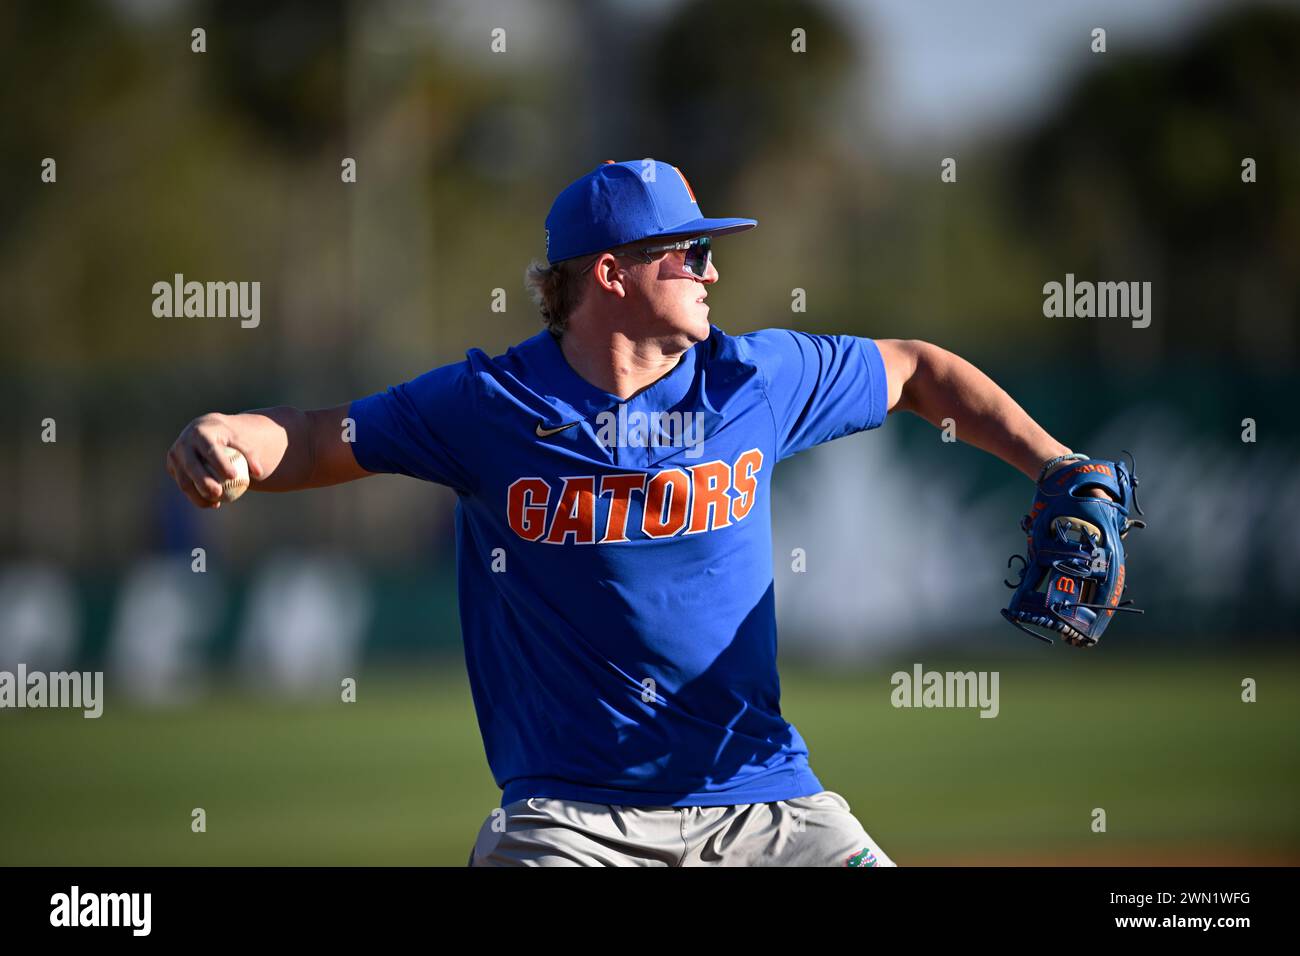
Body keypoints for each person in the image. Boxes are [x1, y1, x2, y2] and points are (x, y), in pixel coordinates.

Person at [165, 158, 1091, 866]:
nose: (711, 272)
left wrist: (1055, 464)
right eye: (690, 252)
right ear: (610, 273)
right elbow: (325, 436)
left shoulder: (752, 380)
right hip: (571, 823)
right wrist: (232, 432)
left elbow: (916, 370)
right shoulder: (490, 407)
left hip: (759, 799)